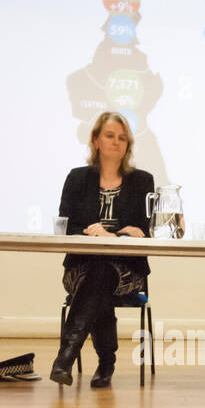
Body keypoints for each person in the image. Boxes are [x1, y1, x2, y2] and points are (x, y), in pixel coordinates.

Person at [50, 111, 154, 388]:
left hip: (127, 271)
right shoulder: (77, 178)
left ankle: (65, 357)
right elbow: (65, 226)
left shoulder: (143, 181)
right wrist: (86, 231)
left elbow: (144, 229)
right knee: (98, 275)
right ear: (96, 140)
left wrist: (112, 234)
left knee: (102, 275)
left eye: (122, 138)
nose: (116, 142)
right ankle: (105, 362)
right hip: (80, 268)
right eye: (110, 136)